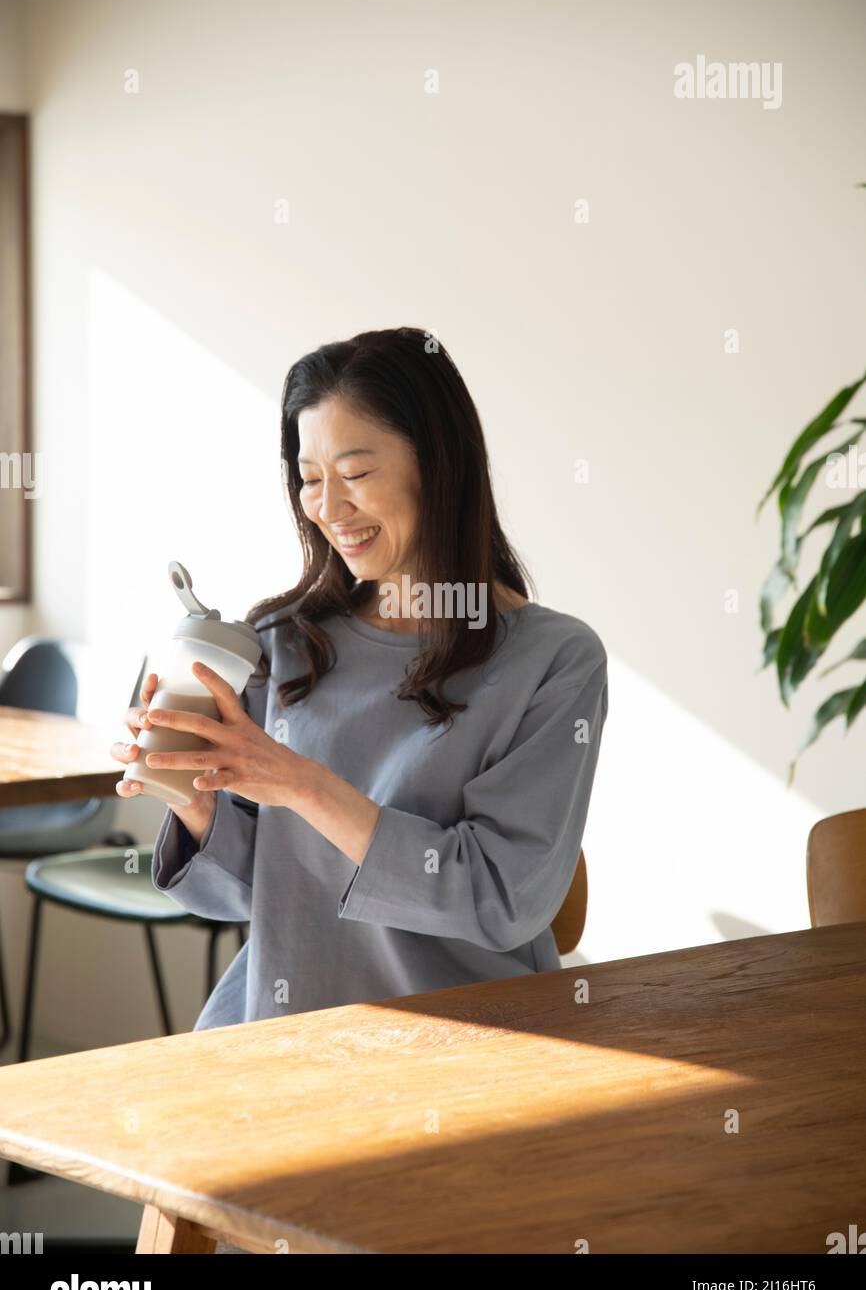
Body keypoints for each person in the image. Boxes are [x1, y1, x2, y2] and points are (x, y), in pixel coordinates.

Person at [112, 325, 609, 1033]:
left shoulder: (555, 660)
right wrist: (196, 795)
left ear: (438, 464)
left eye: (355, 473)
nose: (328, 508)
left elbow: (503, 898)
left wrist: (299, 783)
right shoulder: (284, 640)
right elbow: (258, 892)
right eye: (311, 480)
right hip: (281, 1026)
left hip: (471, 1044)